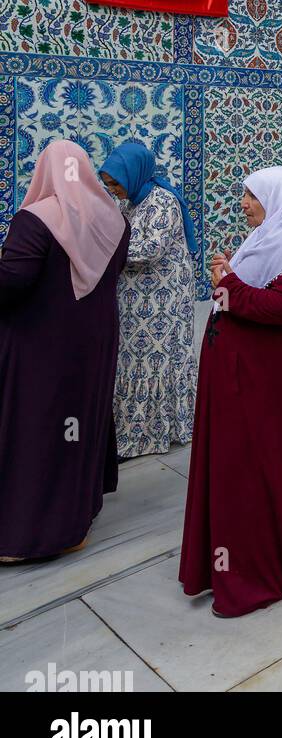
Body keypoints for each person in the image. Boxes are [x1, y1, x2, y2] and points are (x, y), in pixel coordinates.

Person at [179, 166, 282, 617]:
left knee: (250, 470)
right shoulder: (264, 238)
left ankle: (252, 574)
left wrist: (230, 285)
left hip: (262, 385)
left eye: (250, 195)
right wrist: (226, 281)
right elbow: (235, 299)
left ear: (276, 198)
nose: (242, 203)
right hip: (241, 377)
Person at [0, 140, 129, 563]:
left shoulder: (36, 220)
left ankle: (29, 534)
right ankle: (75, 520)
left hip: (43, 346)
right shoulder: (113, 219)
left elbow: (12, 282)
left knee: (35, 429)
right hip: (94, 342)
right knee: (75, 424)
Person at [99, 141, 198, 459]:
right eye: (108, 184)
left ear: (134, 174)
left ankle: (158, 430)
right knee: (133, 361)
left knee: (157, 360)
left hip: (164, 301)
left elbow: (146, 249)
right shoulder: (129, 202)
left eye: (116, 183)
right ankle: (132, 427)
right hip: (135, 300)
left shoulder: (163, 201)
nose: (113, 190)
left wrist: (96, 248)